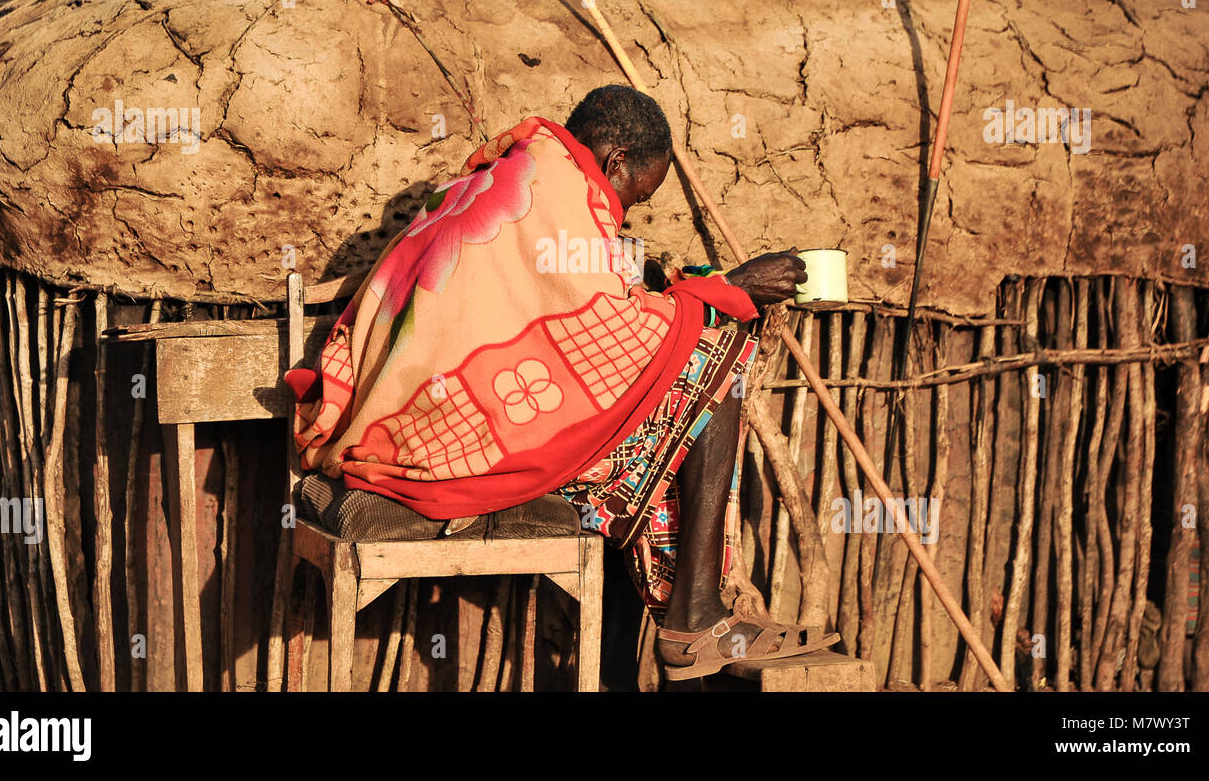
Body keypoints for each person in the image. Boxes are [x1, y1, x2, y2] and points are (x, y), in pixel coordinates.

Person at [286, 84, 817, 679]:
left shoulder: (517, 172)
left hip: (408, 419)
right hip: (439, 444)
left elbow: (567, 323)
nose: (625, 214)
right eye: (633, 197)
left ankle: (685, 623)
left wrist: (682, 294)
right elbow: (607, 333)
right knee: (712, 364)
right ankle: (691, 615)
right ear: (615, 161)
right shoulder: (557, 189)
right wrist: (731, 288)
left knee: (661, 417)